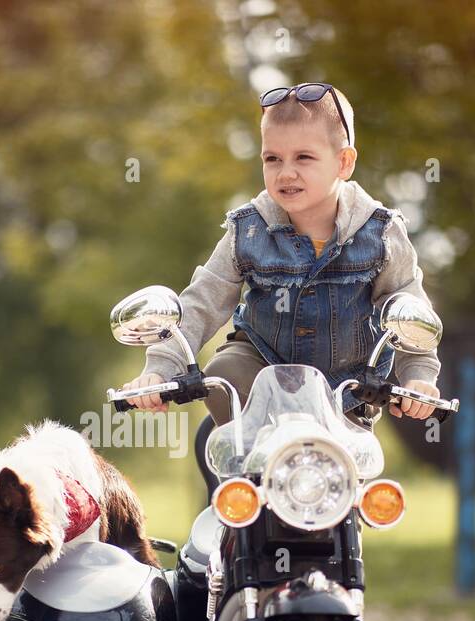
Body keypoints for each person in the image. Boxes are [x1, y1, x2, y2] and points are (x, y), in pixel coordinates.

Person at [121, 83, 442, 425]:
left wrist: (418, 375)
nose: (286, 172)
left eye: (304, 157)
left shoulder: (380, 233)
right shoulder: (247, 230)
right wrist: (159, 370)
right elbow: (202, 302)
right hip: (260, 362)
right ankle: (245, 470)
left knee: (355, 469)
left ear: (344, 162)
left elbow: (408, 309)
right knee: (224, 373)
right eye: (272, 159)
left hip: (345, 391)